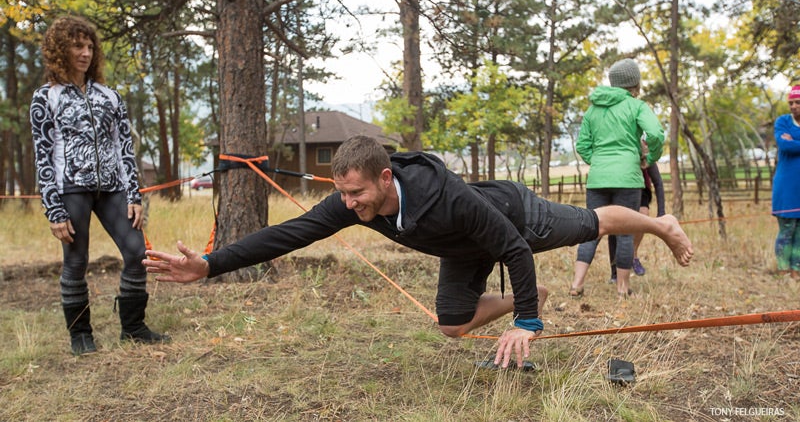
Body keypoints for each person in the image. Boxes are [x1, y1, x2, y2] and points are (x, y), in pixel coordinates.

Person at [144, 135, 692, 369]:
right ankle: (535, 297)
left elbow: (512, 246)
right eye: (342, 192)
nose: (348, 202)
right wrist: (210, 264)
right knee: (452, 324)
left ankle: (658, 223)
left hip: (509, 217)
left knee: (590, 222)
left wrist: (529, 321)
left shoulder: (446, 196)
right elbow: (292, 233)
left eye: (356, 192)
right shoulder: (353, 202)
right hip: (462, 247)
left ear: (385, 179)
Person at [29, 15, 170, 355]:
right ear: (60, 49)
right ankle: (81, 336)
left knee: (137, 252)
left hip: (112, 189)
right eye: (78, 46)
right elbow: (43, 157)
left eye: (90, 46)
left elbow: (125, 148)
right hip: (70, 189)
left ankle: (133, 328)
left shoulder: (110, 97)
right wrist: (54, 208)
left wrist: (133, 194)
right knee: (77, 262)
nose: (86, 53)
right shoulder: (45, 98)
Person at [569, 58, 665, 298]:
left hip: (598, 178)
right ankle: (622, 289)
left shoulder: (593, 108)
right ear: (635, 82)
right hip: (628, 178)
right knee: (625, 231)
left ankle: (576, 284)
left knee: (592, 229)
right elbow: (655, 133)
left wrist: (599, 161)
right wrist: (649, 157)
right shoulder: (637, 106)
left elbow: (582, 145)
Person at [609, 140, 666, 283]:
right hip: (619, 189)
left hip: (641, 190)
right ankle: (615, 272)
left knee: (642, 217)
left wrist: (661, 212)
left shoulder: (644, 156)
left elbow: (658, 183)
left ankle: (633, 255)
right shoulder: (617, 155)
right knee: (616, 228)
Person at [771, 85, 800, 278]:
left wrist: (795, 141)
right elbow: (785, 145)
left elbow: (793, 144)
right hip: (786, 187)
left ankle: (796, 269)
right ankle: (783, 269)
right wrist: (791, 143)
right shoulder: (783, 122)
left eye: (797, 102)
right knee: (787, 229)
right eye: (791, 102)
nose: (793, 106)